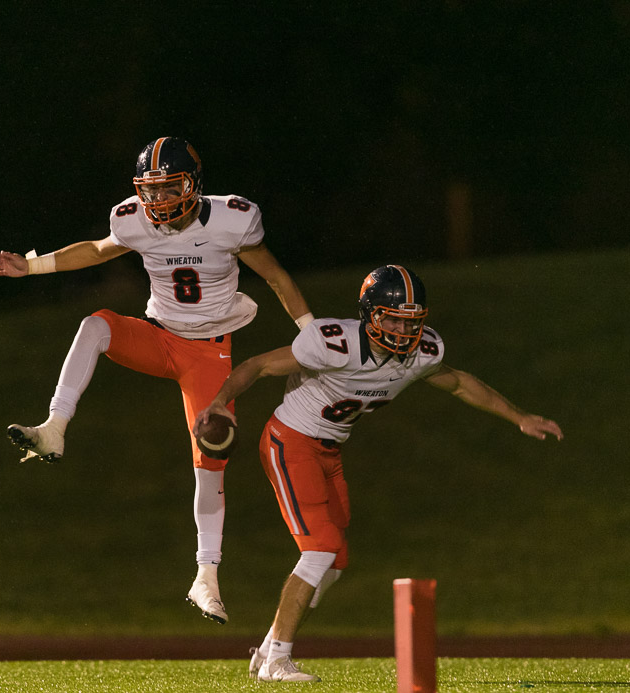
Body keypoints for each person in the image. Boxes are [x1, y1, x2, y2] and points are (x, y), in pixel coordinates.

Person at [0, 136, 313, 626]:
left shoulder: (233, 217)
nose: (159, 201)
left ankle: (207, 577)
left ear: (194, 183)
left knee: (210, 463)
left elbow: (275, 276)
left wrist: (311, 335)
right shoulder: (133, 218)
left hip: (208, 352)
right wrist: (32, 265)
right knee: (96, 324)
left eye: (169, 188)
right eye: (151, 190)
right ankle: (54, 427)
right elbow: (99, 251)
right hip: (159, 337)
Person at [194, 264, 563, 682]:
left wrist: (518, 417)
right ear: (370, 314)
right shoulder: (334, 343)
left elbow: (458, 383)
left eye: (412, 321)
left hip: (330, 451)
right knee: (320, 547)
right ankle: (277, 659)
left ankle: (269, 646)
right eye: (393, 318)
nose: (404, 330)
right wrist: (221, 399)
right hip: (290, 441)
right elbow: (259, 365)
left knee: (336, 559)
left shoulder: (422, 354)